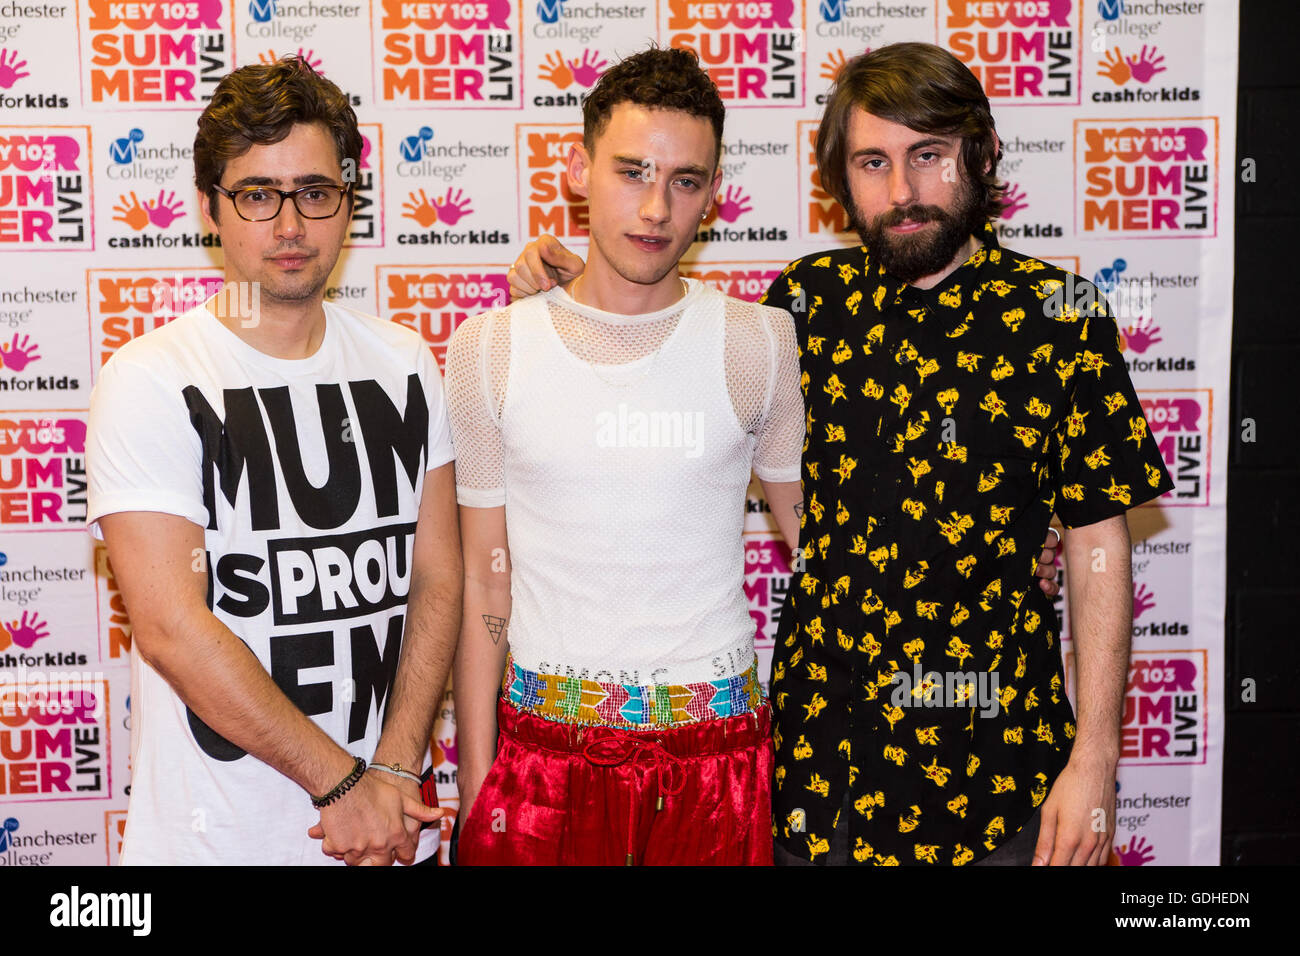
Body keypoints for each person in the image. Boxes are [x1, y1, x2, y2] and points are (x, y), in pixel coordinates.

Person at [507, 41, 1164, 866]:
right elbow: (668, 357)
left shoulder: (1059, 314)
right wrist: (565, 297)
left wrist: (1095, 759)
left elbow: (1099, 541)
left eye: (928, 156)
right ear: (838, 178)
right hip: (819, 787)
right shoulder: (803, 306)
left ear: (983, 152)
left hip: (1000, 785)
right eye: (871, 162)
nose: (902, 191)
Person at [86, 56, 462, 866]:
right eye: (258, 195)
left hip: (389, 830)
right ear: (210, 210)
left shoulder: (404, 361)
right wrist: (343, 786)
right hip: (219, 842)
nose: (290, 226)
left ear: (348, 204)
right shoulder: (151, 378)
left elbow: (437, 575)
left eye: (315, 193)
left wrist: (393, 770)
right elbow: (171, 628)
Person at [445, 46, 806, 866]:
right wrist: (477, 783)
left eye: (685, 180)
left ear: (714, 194)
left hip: (718, 764)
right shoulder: (489, 349)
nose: (655, 207)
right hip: (541, 765)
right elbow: (484, 578)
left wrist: (984, 558)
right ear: (578, 169)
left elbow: (821, 548)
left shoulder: (759, 342)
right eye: (631, 171)